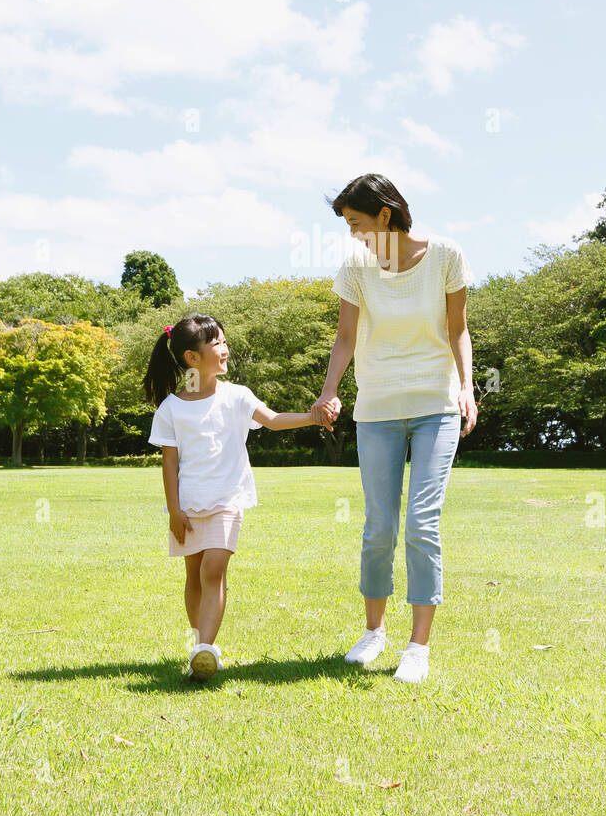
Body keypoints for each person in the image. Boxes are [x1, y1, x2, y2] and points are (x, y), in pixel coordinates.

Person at [312, 174, 477, 684]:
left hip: (435, 404)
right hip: (377, 408)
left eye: (357, 224)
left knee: (422, 523)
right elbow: (344, 336)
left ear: (386, 214)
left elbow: (458, 329)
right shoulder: (356, 266)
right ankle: (374, 631)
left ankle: (418, 646)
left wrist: (468, 387)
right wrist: (328, 389)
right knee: (380, 525)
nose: (354, 235)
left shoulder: (447, 254)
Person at [143, 313, 332, 681]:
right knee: (194, 577)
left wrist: (314, 417)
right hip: (188, 505)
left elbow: (274, 420)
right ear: (192, 358)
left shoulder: (237, 396)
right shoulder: (171, 409)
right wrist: (173, 511)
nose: (226, 350)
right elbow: (169, 465)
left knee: (214, 569)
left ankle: (205, 649)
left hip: (228, 499)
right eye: (217, 344)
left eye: (224, 341)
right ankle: (201, 646)